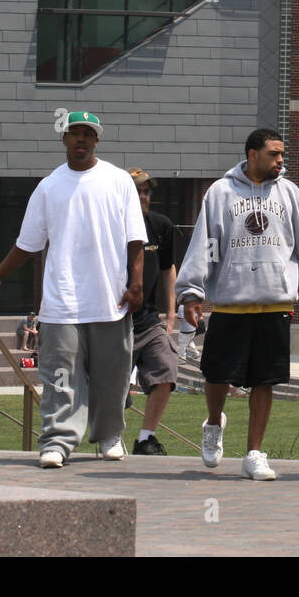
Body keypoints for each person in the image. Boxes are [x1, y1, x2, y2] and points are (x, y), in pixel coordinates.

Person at [0, 111, 145, 469]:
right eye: (75, 133)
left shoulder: (119, 181)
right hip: (62, 301)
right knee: (59, 377)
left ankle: (109, 435)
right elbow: (27, 245)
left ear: (97, 141)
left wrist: (136, 283)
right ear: (64, 139)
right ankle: (57, 441)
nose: (81, 140)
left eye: (88, 134)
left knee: (112, 376)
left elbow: (136, 239)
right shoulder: (48, 186)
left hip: (109, 299)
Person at [175, 128, 299, 481]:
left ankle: (254, 453)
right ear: (252, 155)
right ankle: (213, 424)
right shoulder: (221, 192)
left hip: (275, 303)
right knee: (216, 374)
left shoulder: (290, 194)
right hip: (232, 302)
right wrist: (191, 292)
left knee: (265, 379)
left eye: (282, 154)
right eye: (274, 154)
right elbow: (204, 243)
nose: (280, 161)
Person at [125, 168, 180, 457]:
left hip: (148, 322)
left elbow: (167, 267)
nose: (144, 196)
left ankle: (146, 439)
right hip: (114, 322)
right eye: (137, 191)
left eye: (147, 191)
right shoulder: (111, 225)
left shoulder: (161, 226)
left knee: (166, 368)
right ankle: (111, 435)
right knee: (112, 389)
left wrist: (170, 314)